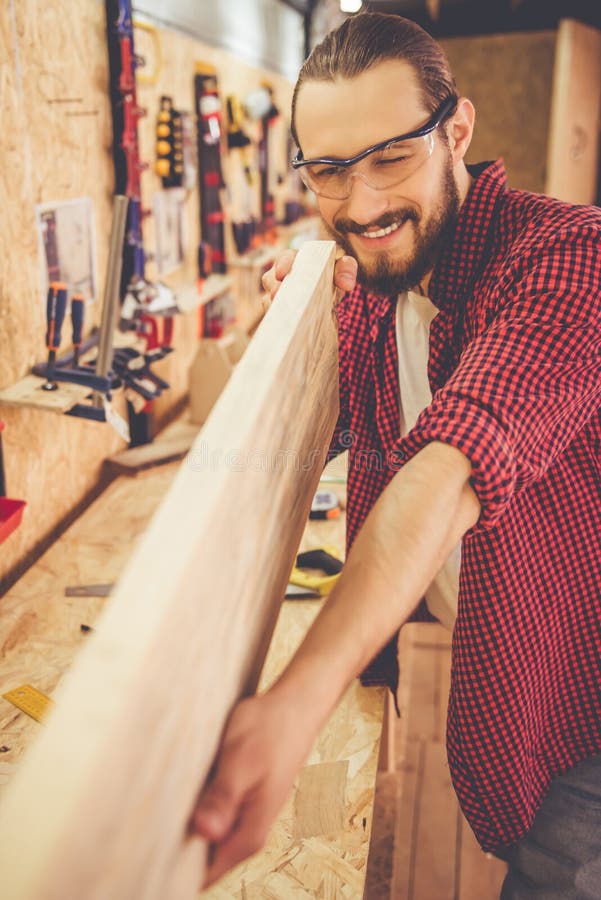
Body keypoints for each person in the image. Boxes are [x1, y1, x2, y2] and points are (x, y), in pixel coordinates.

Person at [194, 13, 601, 898]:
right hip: (516, 682)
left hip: (584, 702)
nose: (363, 203)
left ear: (457, 131)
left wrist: (291, 710)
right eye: (330, 172)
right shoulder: (380, 281)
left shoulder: (570, 260)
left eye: (391, 158)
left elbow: (445, 469)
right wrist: (289, 331)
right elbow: (255, 434)